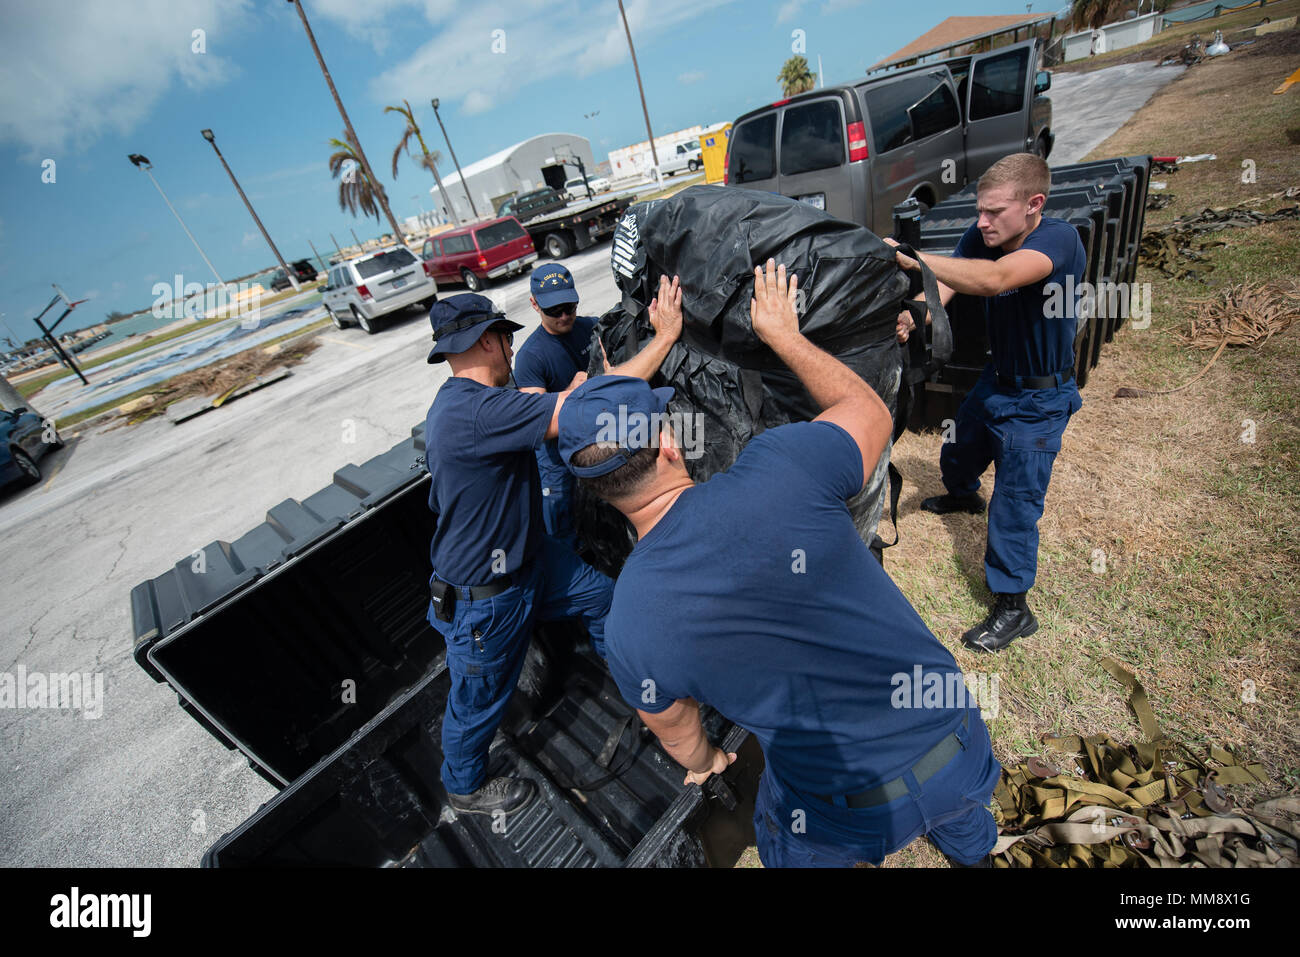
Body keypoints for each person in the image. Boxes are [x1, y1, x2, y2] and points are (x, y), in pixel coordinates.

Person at [557, 260, 1001, 868]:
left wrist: (708, 762)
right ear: (668, 441)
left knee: (783, 838)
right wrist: (784, 335)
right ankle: (974, 853)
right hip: (957, 745)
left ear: (597, 489)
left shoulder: (631, 621)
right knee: (964, 823)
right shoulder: (784, 466)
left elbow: (676, 731)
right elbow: (870, 414)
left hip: (843, 812)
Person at [422, 285, 683, 817]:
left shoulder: (465, 403)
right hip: (486, 601)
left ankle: (640, 689)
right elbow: (586, 411)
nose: (513, 351)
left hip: (530, 563)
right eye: (506, 338)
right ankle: (464, 786)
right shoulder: (481, 413)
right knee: (477, 705)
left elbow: (559, 404)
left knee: (602, 597)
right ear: (490, 341)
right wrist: (667, 337)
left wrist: (576, 391)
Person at [892, 152, 1086, 653]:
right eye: (980, 210)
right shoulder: (985, 235)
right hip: (996, 380)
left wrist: (913, 256)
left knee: (1015, 507)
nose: (982, 222)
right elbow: (951, 286)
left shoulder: (1058, 240)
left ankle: (1013, 606)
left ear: (1033, 205)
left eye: (994, 211)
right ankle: (962, 493)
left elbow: (996, 279)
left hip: (1039, 398)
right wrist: (919, 316)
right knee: (957, 453)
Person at [512, 263, 602, 547]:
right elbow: (535, 424)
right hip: (559, 464)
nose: (564, 316)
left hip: (601, 444)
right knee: (566, 537)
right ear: (534, 304)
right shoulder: (531, 357)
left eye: (569, 307)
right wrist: (570, 393)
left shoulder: (592, 327)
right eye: (554, 310)